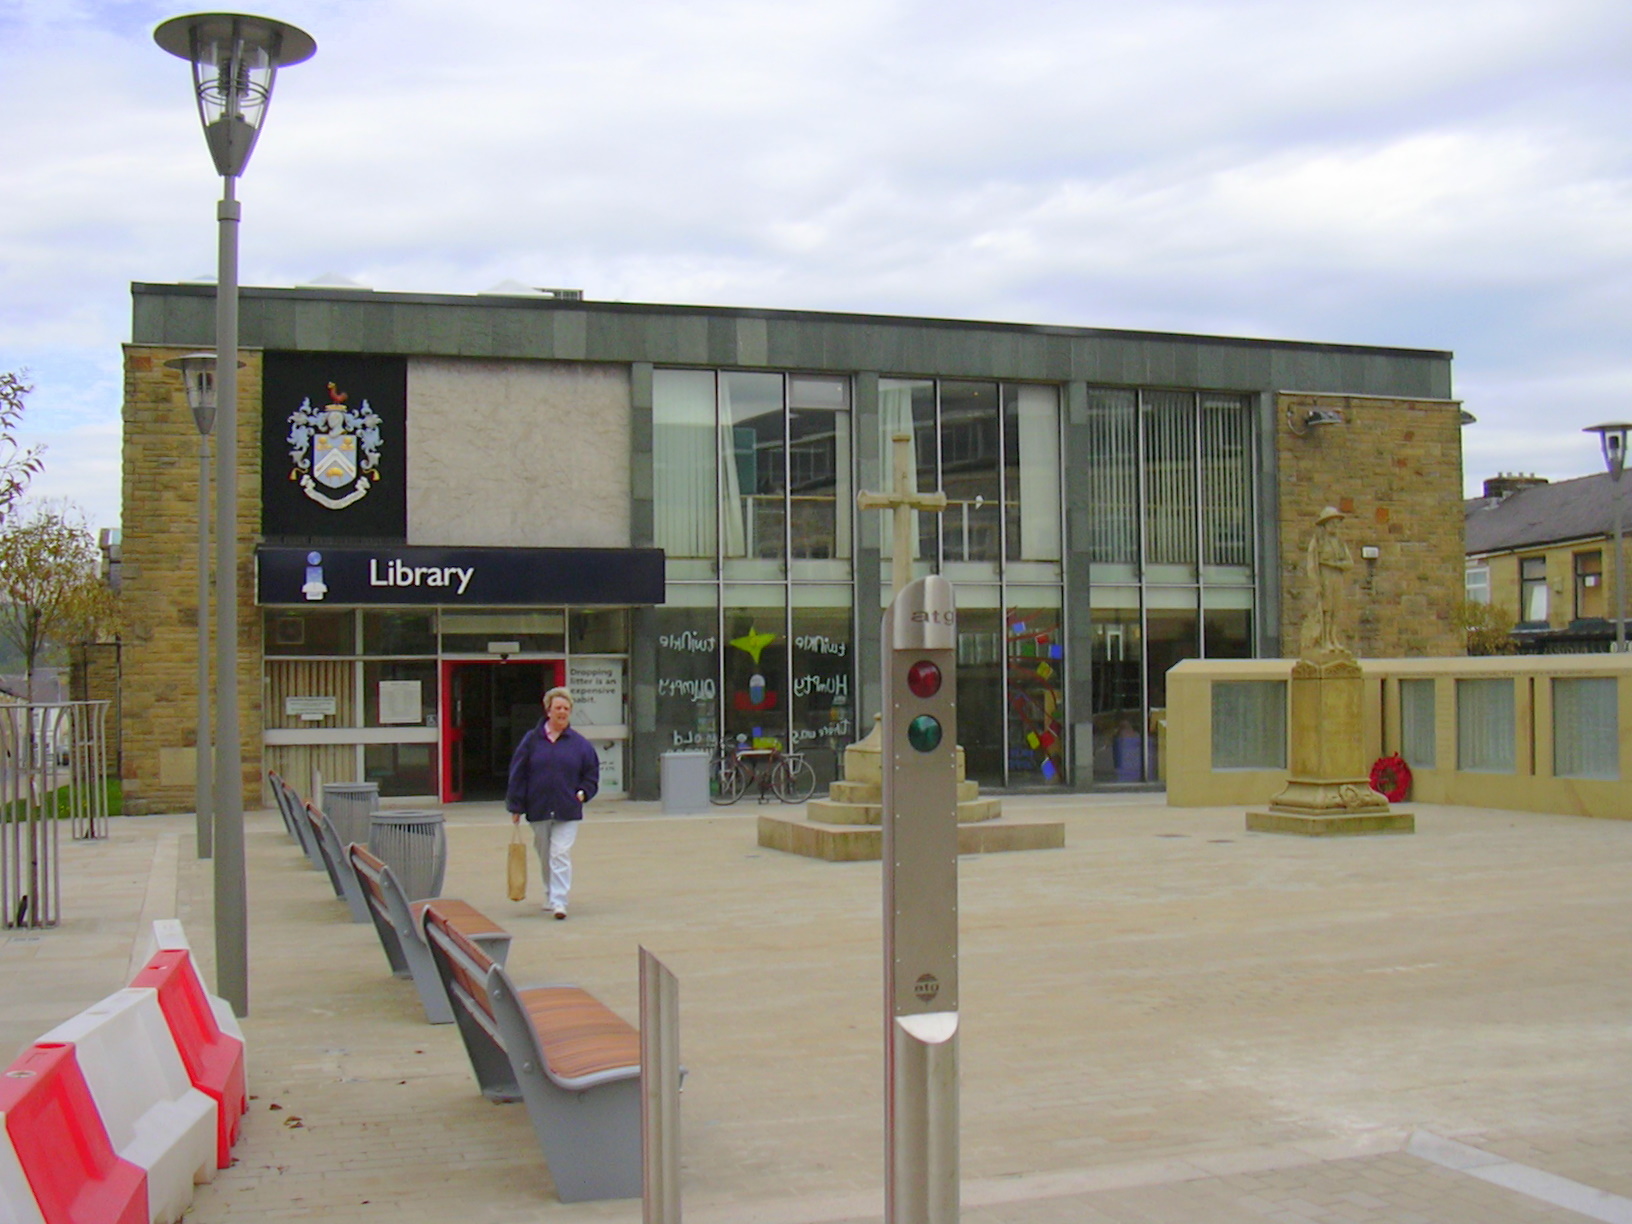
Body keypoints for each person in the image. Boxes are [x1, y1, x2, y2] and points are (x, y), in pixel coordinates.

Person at [506, 686, 600, 919]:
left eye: (566, 708)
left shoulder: (580, 744)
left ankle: (559, 901)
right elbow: (518, 773)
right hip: (537, 808)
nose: (562, 712)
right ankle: (550, 893)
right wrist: (516, 805)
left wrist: (583, 794)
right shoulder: (531, 740)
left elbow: (591, 774)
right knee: (545, 853)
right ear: (548, 710)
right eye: (558, 708)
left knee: (559, 853)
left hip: (567, 809)